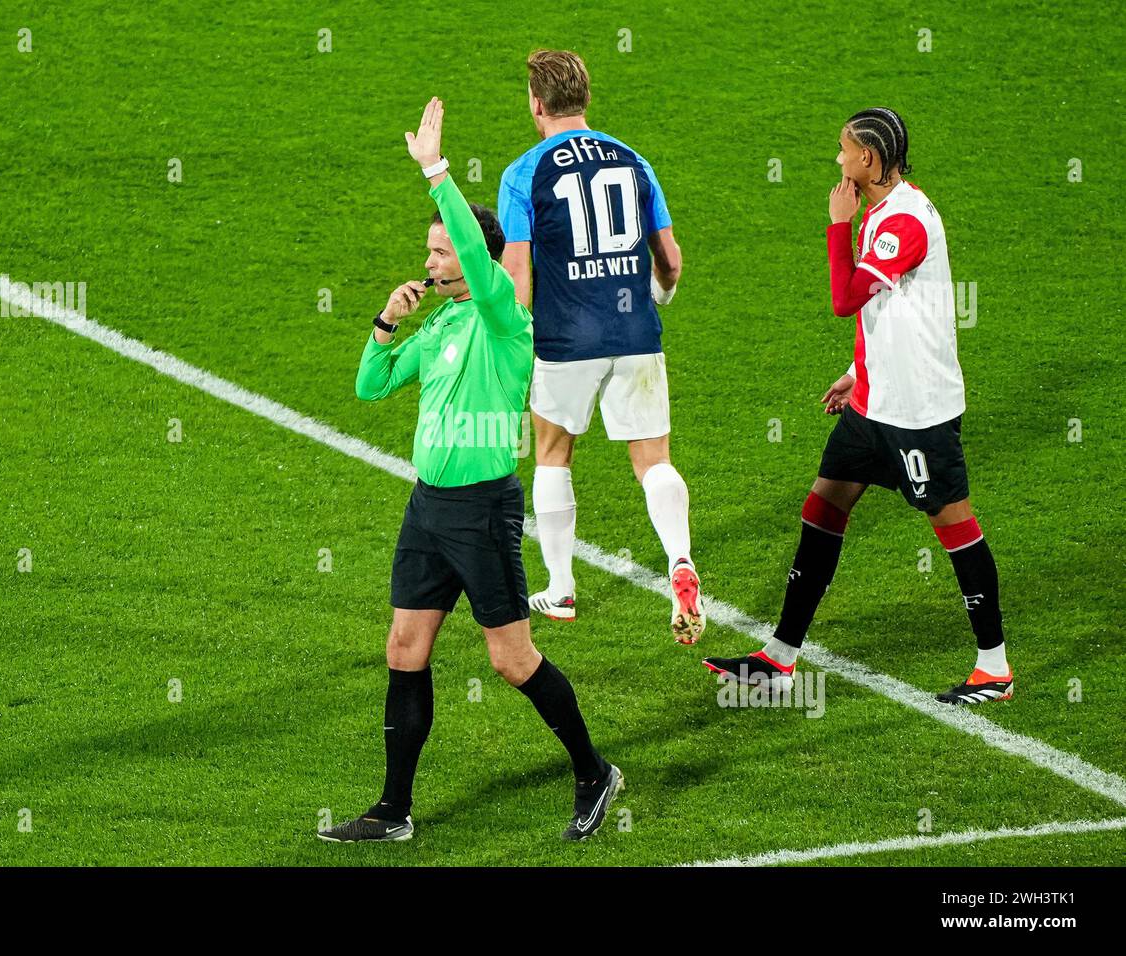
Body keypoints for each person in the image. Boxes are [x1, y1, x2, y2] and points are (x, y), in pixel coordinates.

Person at [318, 98, 622, 844]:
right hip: (428, 510)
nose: (430, 262)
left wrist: (436, 173)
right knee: (403, 647)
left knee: (512, 659)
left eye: (442, 252)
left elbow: (479, 264)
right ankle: (393, 810)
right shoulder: (445, 323)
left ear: (475, 260)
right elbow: (370, 385)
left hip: (483, 509)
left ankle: (593, 771)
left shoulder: (502, 317)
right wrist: (387, 322)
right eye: (429, 252)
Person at [704, 108, 1013, 706]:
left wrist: (835, 226)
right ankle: (780, 657)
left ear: (868, 160)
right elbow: (887, 310)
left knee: (954, 526)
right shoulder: (884, 212)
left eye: (844, 151)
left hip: (917, 411)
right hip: (872, 405)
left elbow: (847, 299)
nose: (839, 161)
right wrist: (855, 373)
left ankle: (993, 669)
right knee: (823, 505)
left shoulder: (904, 222)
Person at [498, 49, 705, 643]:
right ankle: (681, 562)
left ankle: (560, 590)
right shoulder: (634, 161)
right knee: (654, 460)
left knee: (552, 452)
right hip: (636, 332)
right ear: (585, 97)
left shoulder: (524, 172)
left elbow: (517, 278)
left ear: (536, 103)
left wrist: (516, 343)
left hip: (567, 339)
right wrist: (658, 295)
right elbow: (670, 261)